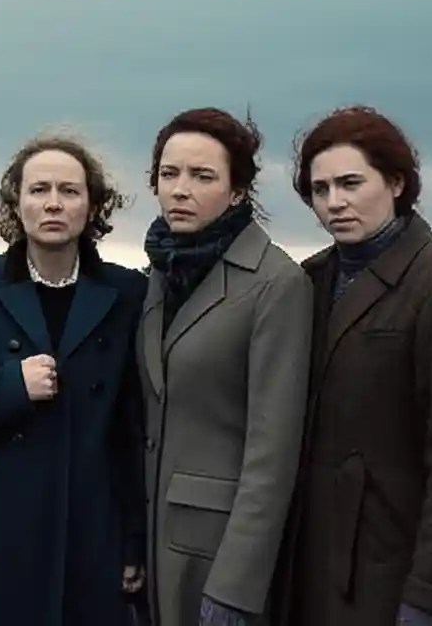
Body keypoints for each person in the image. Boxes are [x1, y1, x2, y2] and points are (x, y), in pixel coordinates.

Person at [274, 105, 432, 626]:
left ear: (397, 181)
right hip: (305, 562)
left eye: (351, 183)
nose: (335, 202)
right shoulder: (306, 282)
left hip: (390, 572)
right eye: (319, 189)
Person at [0, 132, 148, 626]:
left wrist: (133, 541)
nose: (53, 203)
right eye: (38, 190)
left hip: (92, 527)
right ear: (16, 202)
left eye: (69, 190)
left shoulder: (130, 293)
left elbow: (136, 430)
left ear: (93, 204)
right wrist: (8, 388)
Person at [138, 107, 312, 626]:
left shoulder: (276, 284)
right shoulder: (159, 271)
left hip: (219, 558)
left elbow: (272, 452)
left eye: (202, 176)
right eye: (169, 175)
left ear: (238, 191)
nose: (180, 189)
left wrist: (236, 588)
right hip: (151, 545)